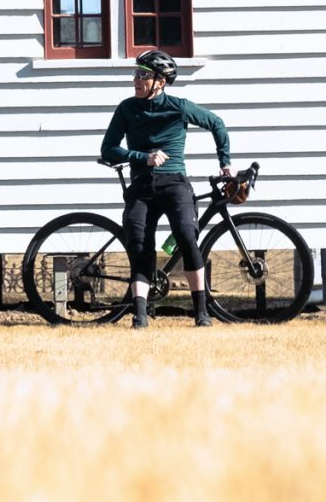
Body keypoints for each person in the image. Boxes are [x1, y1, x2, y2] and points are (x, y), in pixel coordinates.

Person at [97, 48, 232, 329]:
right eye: (135, 73)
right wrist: (141, 157)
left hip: (174, 183)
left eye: (143, 75)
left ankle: (202, 313)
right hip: (141, 186)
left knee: (186, 236)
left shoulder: (179, 107)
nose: (136, 79)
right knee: (138, 243)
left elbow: (216, 123)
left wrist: (225, 163)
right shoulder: (126, 108)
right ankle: (140, 316)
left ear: (160, 81)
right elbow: (108, 149)